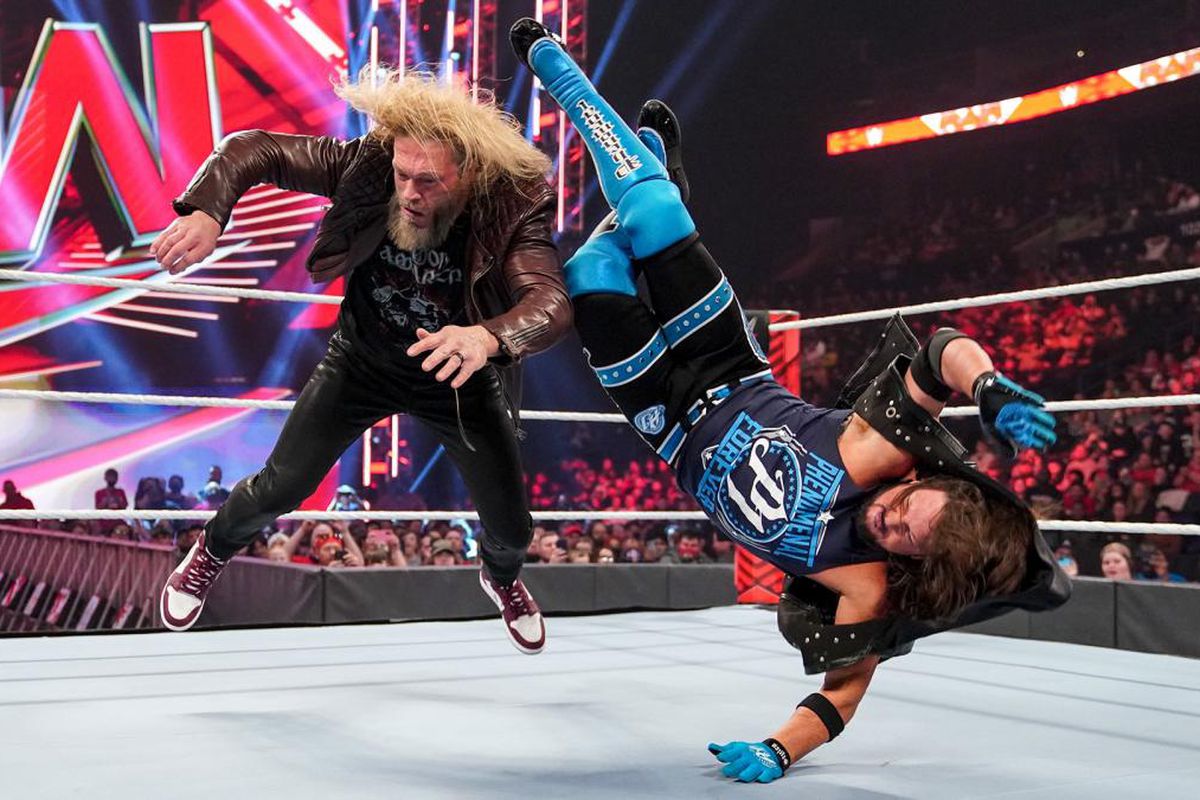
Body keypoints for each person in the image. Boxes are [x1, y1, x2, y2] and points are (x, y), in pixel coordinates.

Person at [511, 20, 1065, 783]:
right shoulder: (884, 455)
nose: (890, 517)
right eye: (908, 505)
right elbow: (941, 352)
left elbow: (842, 696)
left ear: (916, 563)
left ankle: (654, 176)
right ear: (923, 480)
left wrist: (779, 749)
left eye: (903, 536)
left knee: (591, 273)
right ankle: (567, 79)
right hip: (727, 363)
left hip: (664, 421)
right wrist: (989, 385)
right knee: (652, 210)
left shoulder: (866, 586)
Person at [153, 68, 571, 655]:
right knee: (281, 485)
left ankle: (501, 578)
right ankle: (210, 551)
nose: (409, 194)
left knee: (512, 528)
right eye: (403, 174)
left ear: (470, 173)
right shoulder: (368, 165)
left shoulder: (512, 203)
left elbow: (550, 303)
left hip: (457, 374)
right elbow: (255, 148)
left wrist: (486, 338)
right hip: (362, 360)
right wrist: (207, 208)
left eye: (428, 181)